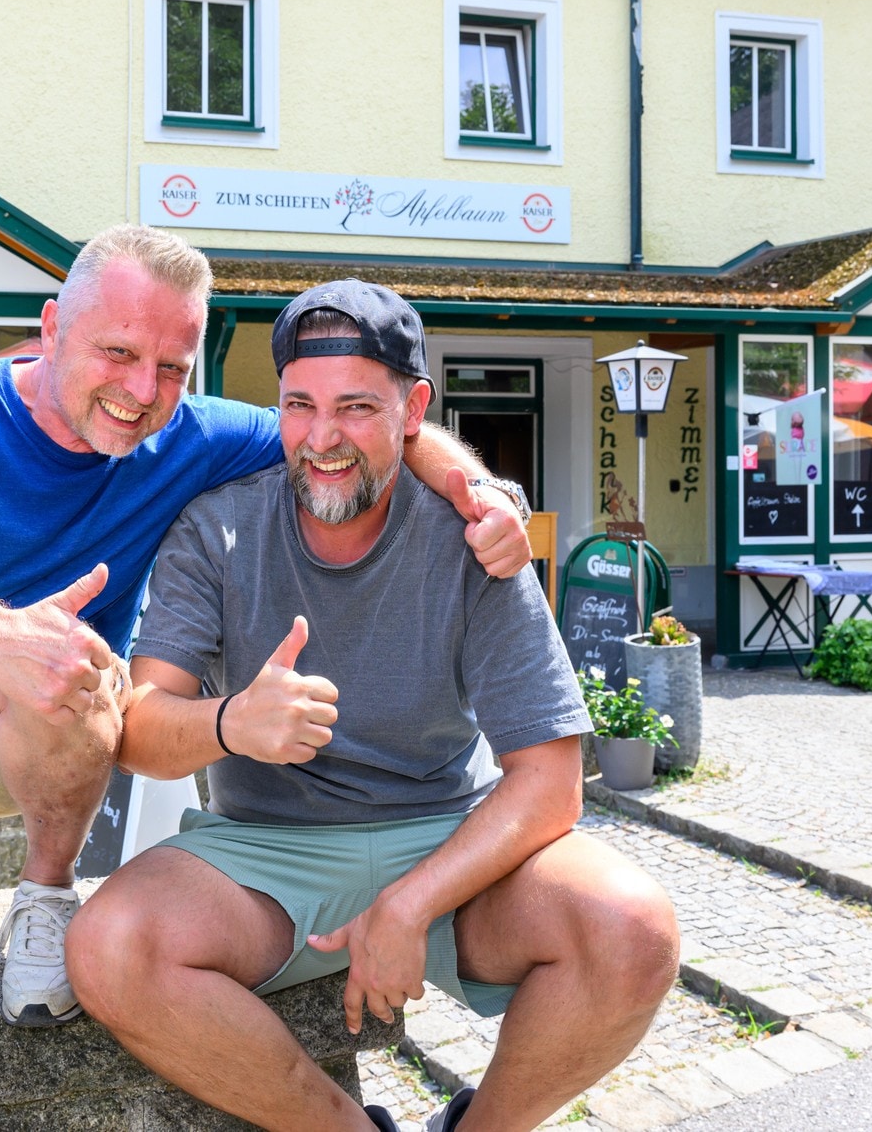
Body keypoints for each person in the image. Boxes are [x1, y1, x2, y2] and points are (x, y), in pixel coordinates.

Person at [0, 228, 535, 1027]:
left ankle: (41, 895)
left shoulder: (193, 432)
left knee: (67, 666)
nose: (141, 392)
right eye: (117, 351)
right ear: (52, 326)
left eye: (172, 367)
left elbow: (347, 423)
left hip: (50, 724)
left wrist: (472, 488)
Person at [64, 279, 679, 1132]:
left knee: (633, 927)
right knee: (107, 947)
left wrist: (408, 903)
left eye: (356, 406)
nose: (322, 438)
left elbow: (549, 783)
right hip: (263, 853)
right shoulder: (216, 528)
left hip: (447, 834)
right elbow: (137, 729)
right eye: (299, 405)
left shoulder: (473, 536)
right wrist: (230, 721)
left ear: (413, 407)